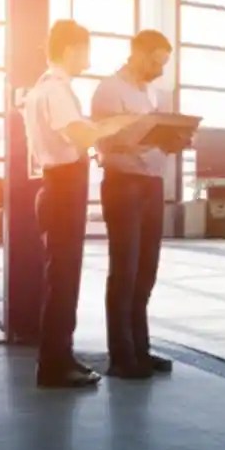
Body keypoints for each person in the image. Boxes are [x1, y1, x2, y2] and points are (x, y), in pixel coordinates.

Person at [23, 20, 143, 389]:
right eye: (86, 49)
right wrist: (116, 124)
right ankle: (54, 364)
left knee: (62, 278)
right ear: (71, 49)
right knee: (63, 281)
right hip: (63, 190)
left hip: (57, 187)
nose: (88, 57)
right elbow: (79, 135)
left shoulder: (42, 89)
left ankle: (60, 356)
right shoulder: (56, 90)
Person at [92, 30, 178, 379]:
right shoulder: (109, 90)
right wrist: (143, 137)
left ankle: (140, 349)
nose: (160, 70)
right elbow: (105, 140)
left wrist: (171, 138)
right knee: (124, 271)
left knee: (146, 271)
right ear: (139, 54)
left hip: (151, 184)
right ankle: (121, 355)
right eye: (156, 62)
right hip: (123, 184)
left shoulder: (151, 93)